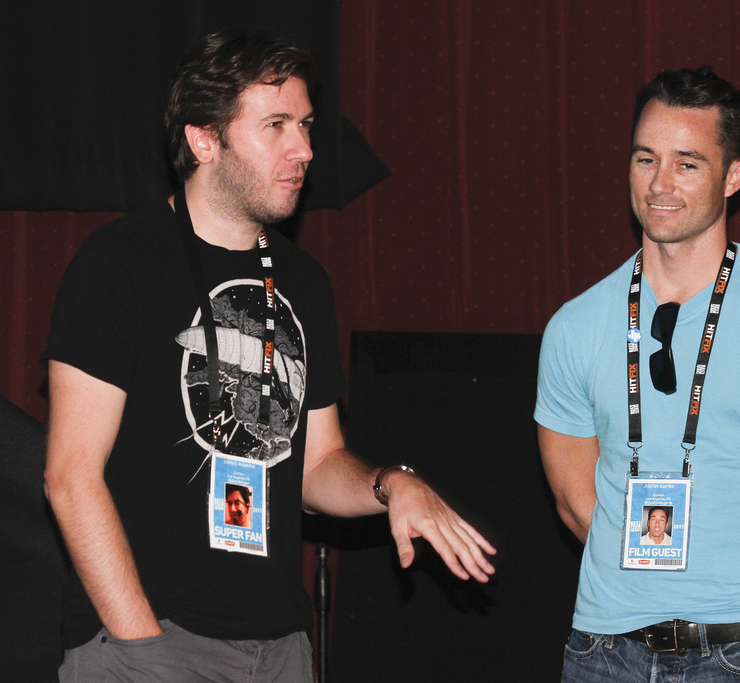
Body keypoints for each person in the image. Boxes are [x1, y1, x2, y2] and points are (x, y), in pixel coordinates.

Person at [43, 29, 495, 682]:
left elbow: (318, 464)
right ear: (205, 140)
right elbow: (70, 476)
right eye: (277, 125)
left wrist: (390, 483)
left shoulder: (304, 282)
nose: (305, 150)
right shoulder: (118, 265)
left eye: (306, 126)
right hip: (149, 643)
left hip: (281, 648)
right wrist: (143, 645)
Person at [535, 67, 740, 682]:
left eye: (687, 163)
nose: (659, 183)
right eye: (645, 158)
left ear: (733, 176)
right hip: (601, 653)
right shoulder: (573, 327)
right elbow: (574, 500)